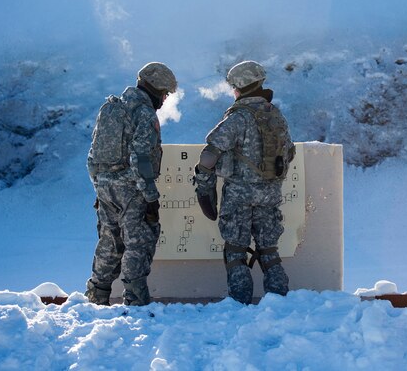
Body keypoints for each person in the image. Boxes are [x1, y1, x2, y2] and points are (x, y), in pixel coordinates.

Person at [193, 61, 295, 305]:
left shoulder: (238, 117)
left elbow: (209, 155)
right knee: (269, 250)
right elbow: (289, 152)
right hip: (270, 193)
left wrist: (204, 186)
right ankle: (279, 302)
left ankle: (239, 303)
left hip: (239, 195)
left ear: (239, 87)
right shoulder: (275, 115)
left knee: (236, 250)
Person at [85, 62, 177, 306]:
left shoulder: (111, 108)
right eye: (165, 93)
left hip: (105, 187)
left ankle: (96, 296)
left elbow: (93, 155)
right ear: (155, 88)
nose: (165, 99)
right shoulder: (144, 114)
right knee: (138, 243)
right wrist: (150, 197)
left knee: (109, 241)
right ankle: (136, 301)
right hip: (131, 190)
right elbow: (141, 157)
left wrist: (100, 188)